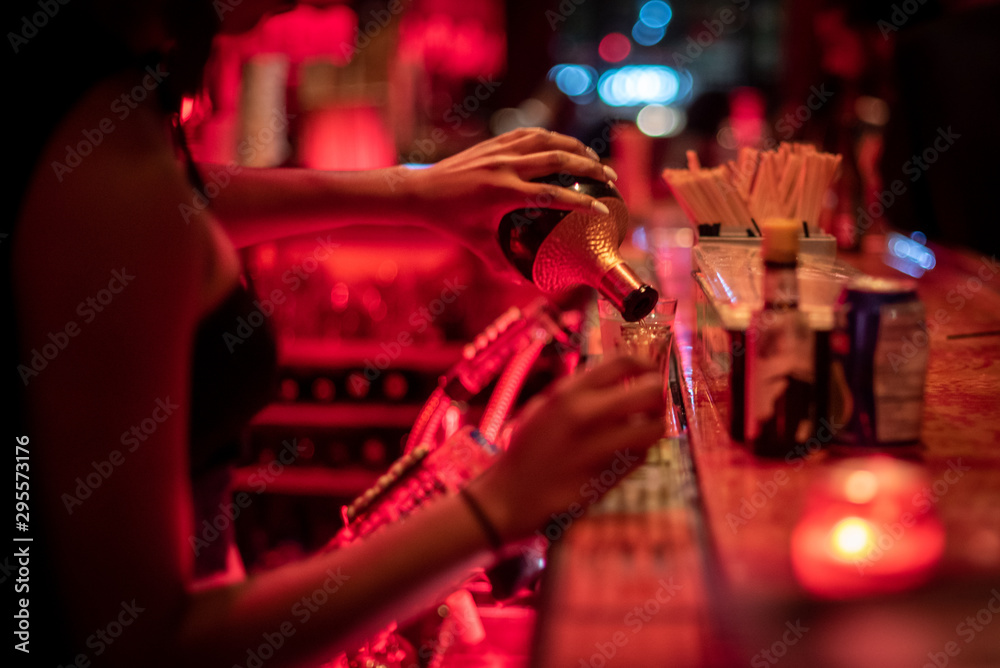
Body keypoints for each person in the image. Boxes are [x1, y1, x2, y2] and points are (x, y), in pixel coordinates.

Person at [6, 1, 666, 666]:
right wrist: (496, 508)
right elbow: (141, 646)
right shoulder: (104, 155)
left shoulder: (96, 95)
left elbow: (176, 205)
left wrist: (413, 196)